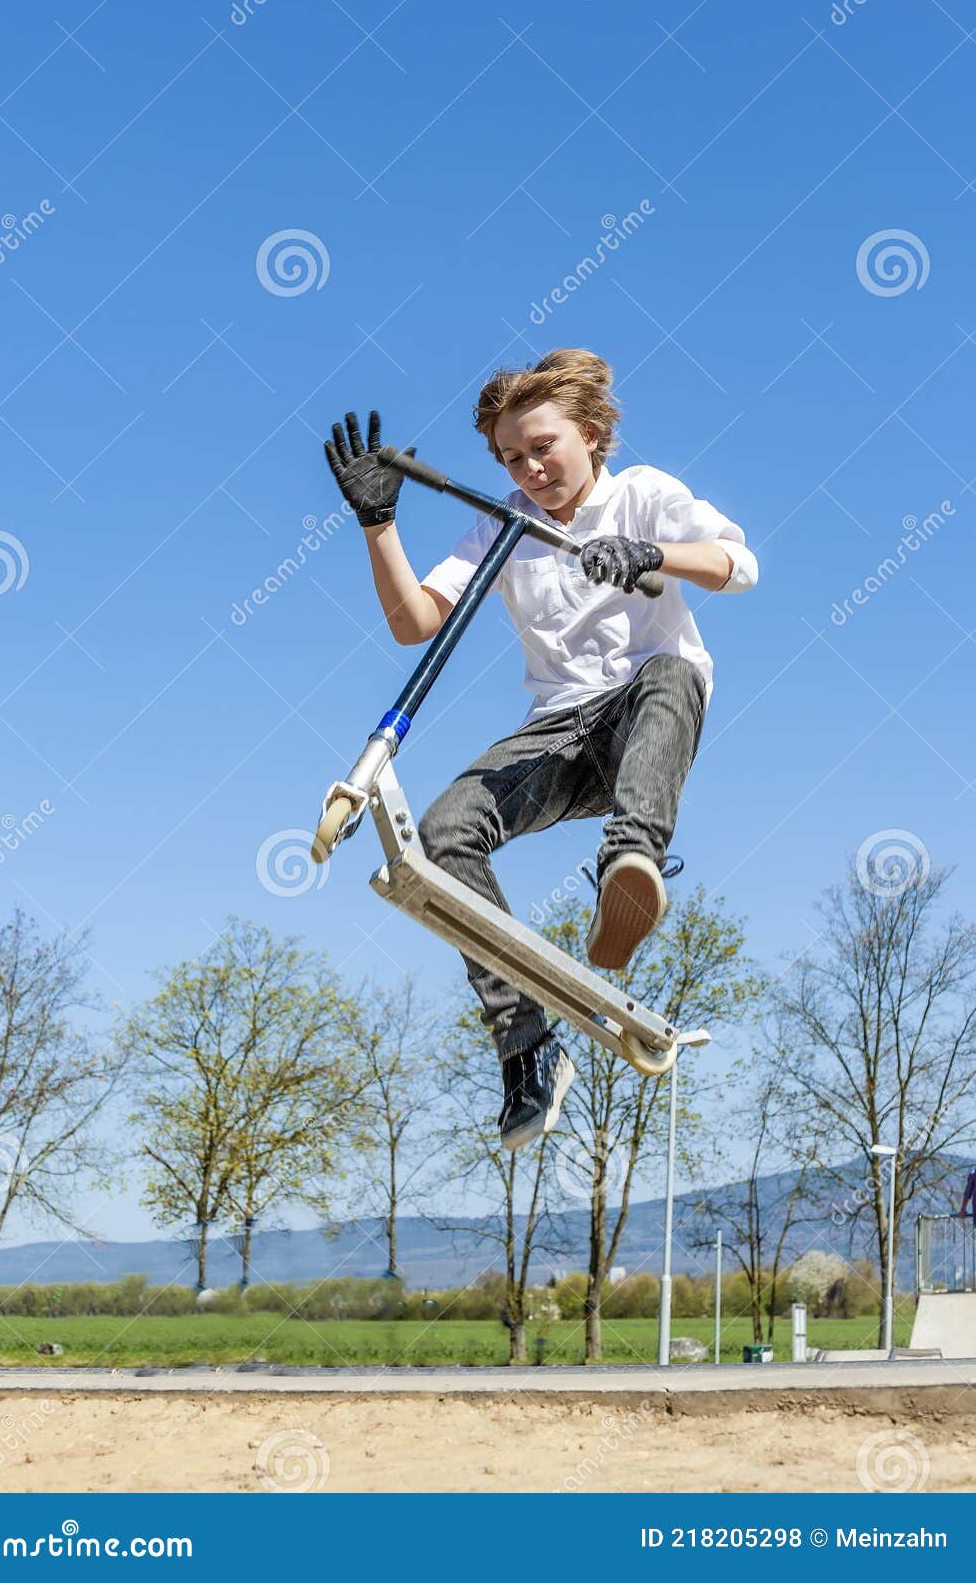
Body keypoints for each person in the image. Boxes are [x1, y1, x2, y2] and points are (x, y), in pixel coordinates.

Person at [323, 348, 758, 1152]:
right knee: (443, 833)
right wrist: (378, 525)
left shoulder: (642, 495)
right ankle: (524, 1046)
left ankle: (630, 865)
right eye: (509, 458)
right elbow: (417, 622)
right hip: (558, 731)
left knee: (669, 670)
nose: (528, 468)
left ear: (590, 435)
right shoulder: (499, 526)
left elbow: (739, 566)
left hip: (644, 721)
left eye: (542, 447)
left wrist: (651, 555)